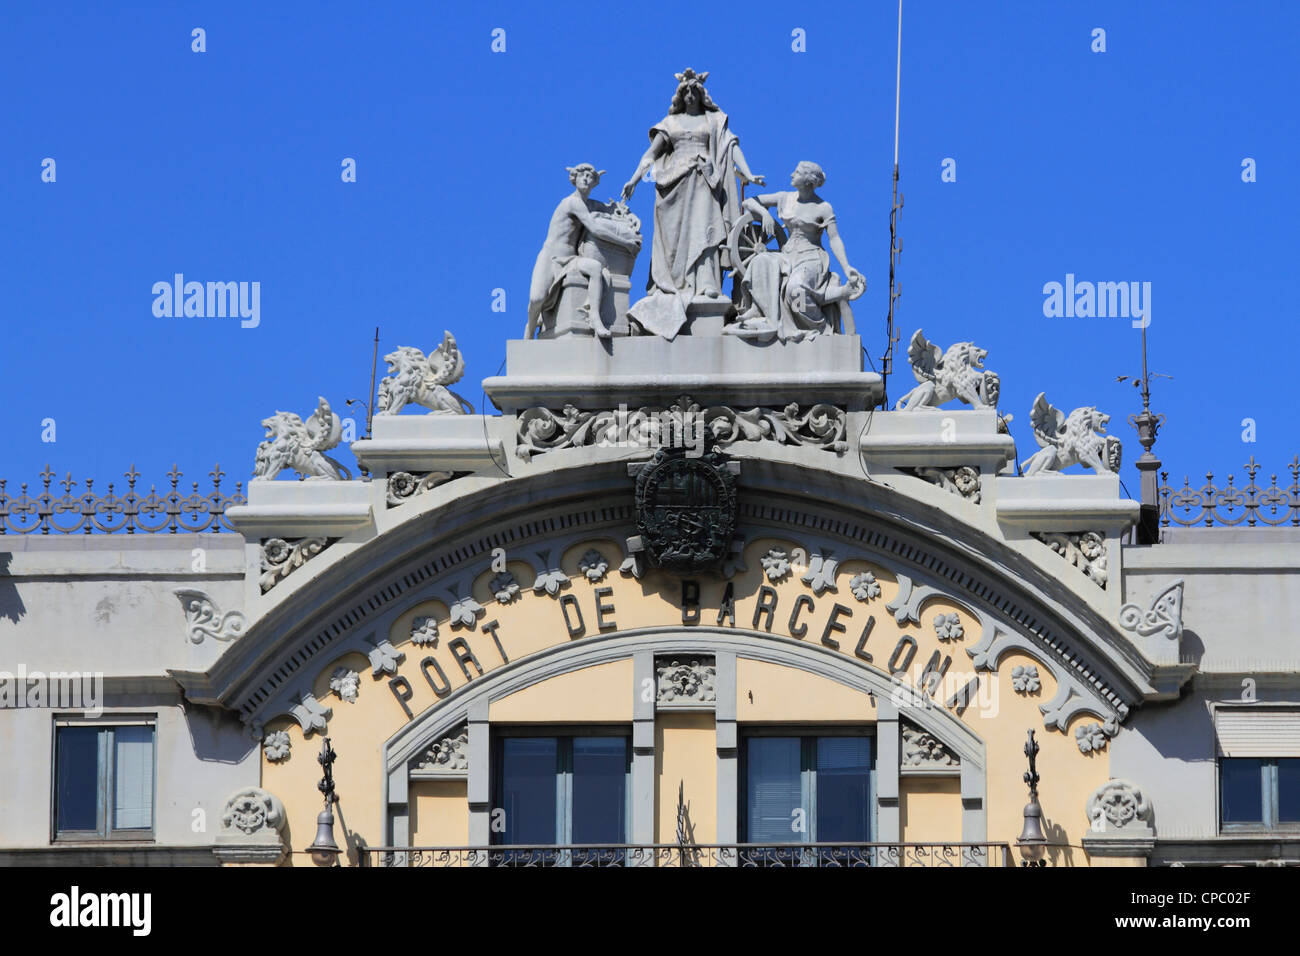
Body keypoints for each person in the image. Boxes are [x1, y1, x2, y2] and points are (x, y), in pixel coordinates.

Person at [621, 69, 764, 337]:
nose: (689, 96)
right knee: (674, 240)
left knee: (707, 229)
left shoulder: (714, 121)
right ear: (679, 96)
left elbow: (731, 148)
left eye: (693, 92)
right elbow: (650, 155)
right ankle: (675, 285)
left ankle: (706, 284)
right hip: (674, 186)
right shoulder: (670, 124)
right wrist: (634, 179)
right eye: (685, 92)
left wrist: (747, 173)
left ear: (701, 95)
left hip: (705, 181)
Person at [724, 161, 865, 342]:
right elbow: (748, 202)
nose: (791, 175)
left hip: (811, 258)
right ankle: (759, 308)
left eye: (797, 172)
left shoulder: (823, 207)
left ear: (808, 181)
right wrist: (765, 213)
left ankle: (820, 325)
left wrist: (847, 267)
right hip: (787, 254)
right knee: (760, 261)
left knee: (794, 289)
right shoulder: (784, 198)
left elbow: (834, 239)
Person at [526, 164, 639, 339]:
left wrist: (627, 215)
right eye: (582, 175)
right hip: (551, 258)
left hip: (571, 259)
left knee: (594, 268)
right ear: (574, 179)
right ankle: (529, 330)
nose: (586, 179)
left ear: (595, 183)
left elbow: (613, 210)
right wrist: (626, 243)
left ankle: (594, 318)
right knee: (536, 299)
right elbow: (595, 229)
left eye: (590, 177)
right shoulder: (572, 203)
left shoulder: (589, 204)